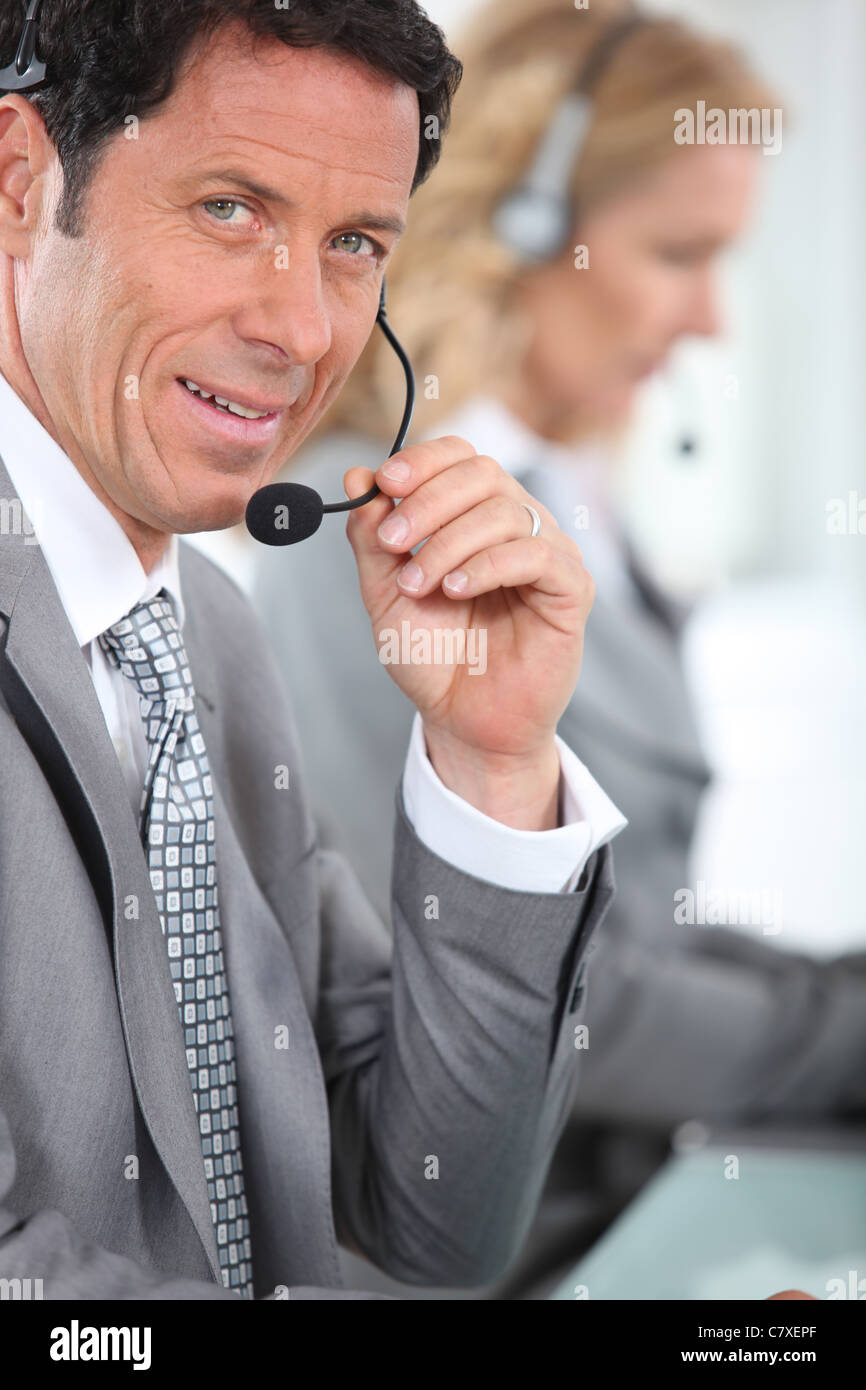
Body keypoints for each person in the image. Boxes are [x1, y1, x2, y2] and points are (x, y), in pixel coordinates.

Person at [0, 0, 627, 1300]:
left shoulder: (203, 635)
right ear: (18, 182)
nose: (300, 328)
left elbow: (435, 1217)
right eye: (230, 207)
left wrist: (491, 765)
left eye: (351, 243)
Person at [252, 0, 866, 1298]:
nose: (710, 320)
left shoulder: (568, 505)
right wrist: (839, 1031)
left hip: (632, 1193)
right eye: (677, 253)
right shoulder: (364, 527)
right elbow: (504, 976)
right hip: (496, 1251)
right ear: (524, 230)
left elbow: (632, 917)